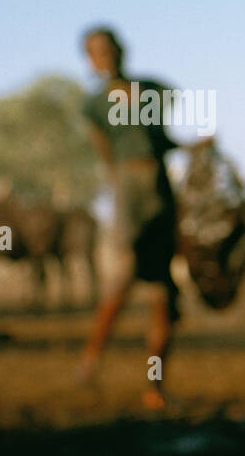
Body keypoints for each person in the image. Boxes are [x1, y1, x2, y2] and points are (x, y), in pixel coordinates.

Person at [77, 26, 182, 409]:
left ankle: (154, 386)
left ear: (122, 50)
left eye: (110, 49)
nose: (106, 57)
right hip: (127, 189)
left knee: (163, 294)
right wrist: (121, 188)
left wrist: (193, 146)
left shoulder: (153, 90)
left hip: (160, 186)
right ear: (89, 60)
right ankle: (90, 361)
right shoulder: (93, 106)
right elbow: (107, 154)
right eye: (96, 52)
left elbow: (162, 139)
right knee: (124, 275)